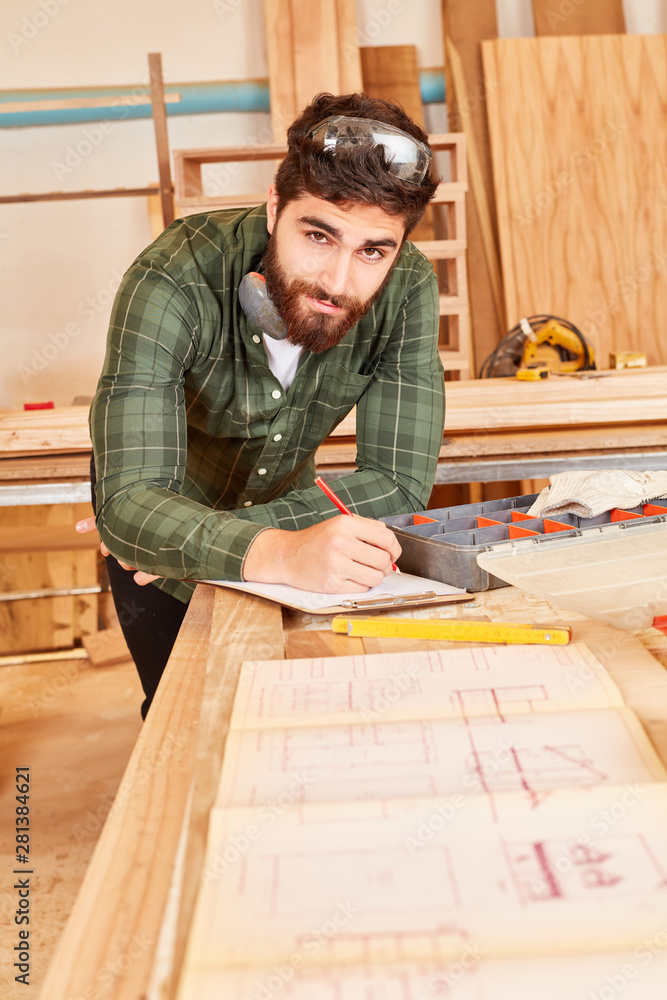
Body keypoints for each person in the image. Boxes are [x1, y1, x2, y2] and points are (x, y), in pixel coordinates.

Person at [77, 91, 446, 717]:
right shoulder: (174, 275)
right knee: (179, 715)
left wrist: (245, 545)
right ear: (276, 207)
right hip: (160, 552)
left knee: (285, 711)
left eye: (373, 250)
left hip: (247, 529)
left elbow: (399, 481)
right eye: (319, 235)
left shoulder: (407, 287)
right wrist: (274, 551)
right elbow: (133, 501)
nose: (337, 281)